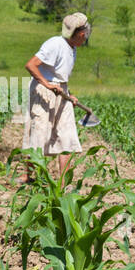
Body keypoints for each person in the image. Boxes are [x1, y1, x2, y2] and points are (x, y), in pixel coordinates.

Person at [20, 13, 90, 182]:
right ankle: (29, 176)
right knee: (39, 133)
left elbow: (60, 75)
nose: (87, 36)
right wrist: (47, 84)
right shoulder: (55, 44)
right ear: (81, 33)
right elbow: (31, 65)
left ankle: (64, 183)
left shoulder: (72, 49)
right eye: (86, 33)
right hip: (43, 91)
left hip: (60, 90)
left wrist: (69, 94)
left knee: (67, 136)